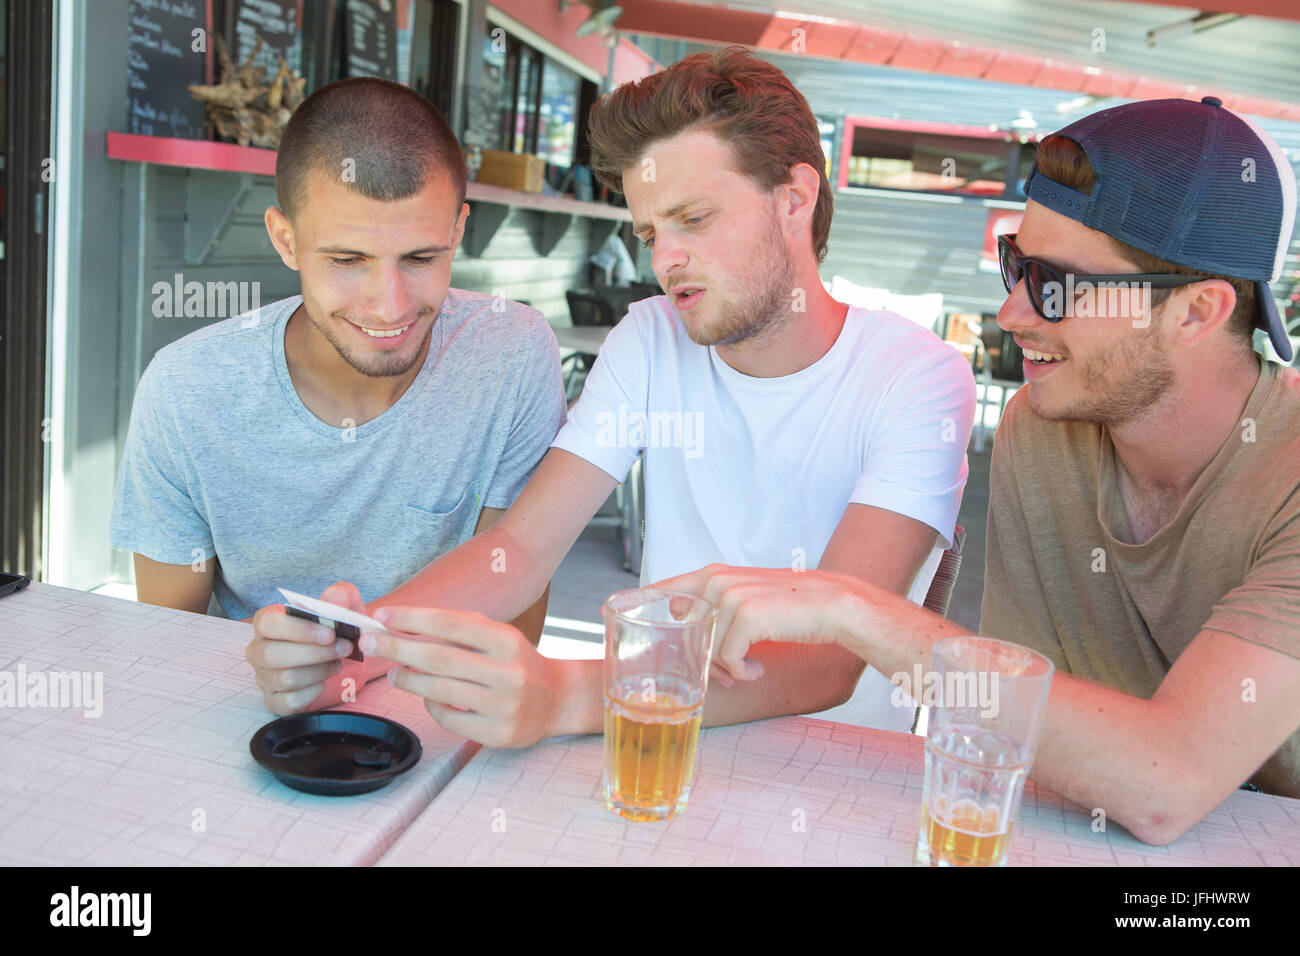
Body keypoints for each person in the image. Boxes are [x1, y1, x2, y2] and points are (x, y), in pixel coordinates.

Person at [247, 46, 977, 745]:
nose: (665, 260)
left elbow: (828, 660)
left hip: (831, 780)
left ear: (795, 198)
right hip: (649, 744)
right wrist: (360, 641)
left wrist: (564, 694)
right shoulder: (652, 337)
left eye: (694, 219)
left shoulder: (918, 376)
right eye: (649, 231)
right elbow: (520, 549)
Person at [658, 95, 1300, 846]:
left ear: (1196, 313)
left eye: (1054, 284)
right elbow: (1008, 724)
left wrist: (846, 609)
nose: (1011, 314)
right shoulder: (1043, 430)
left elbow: (1165, 783)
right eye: (1016, 264)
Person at [110, 78, 566, 714]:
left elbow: (515, 628)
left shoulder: (513, 355)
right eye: (347, 259)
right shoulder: (186, 390)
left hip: (444, 714)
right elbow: (168, 643)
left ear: (459, 231)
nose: (390, 306)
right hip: (255, 706)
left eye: (420, 257)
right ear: (285, 238)